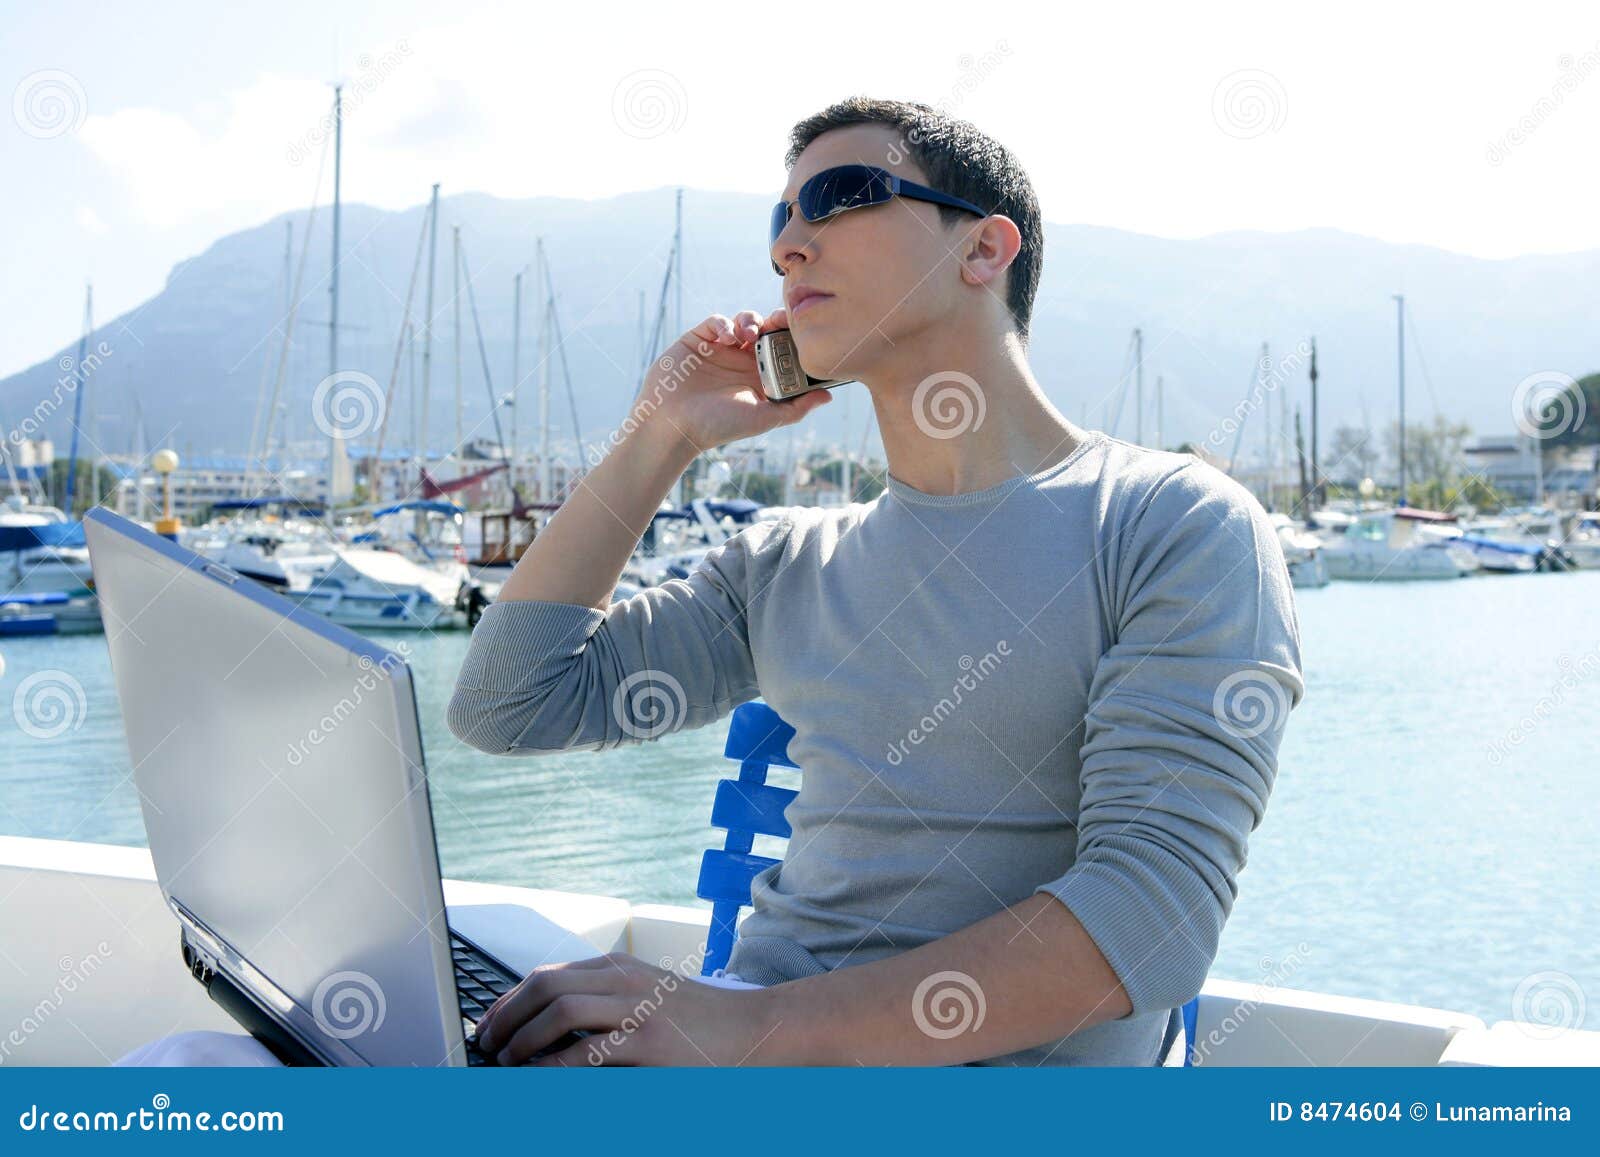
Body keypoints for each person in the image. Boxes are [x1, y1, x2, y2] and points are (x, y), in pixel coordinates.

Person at [445, 96, 1305, 1067]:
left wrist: (739, 1028)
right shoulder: (783, 563)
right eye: (780, 223)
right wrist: (661, 433)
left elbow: (1148, 915)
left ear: (984, 251)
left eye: (839, 197)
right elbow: (510, 704)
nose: (789, 248)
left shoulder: (1170, 523)